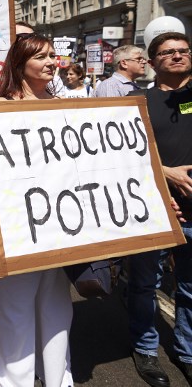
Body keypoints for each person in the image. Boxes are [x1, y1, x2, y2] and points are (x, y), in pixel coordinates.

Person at [0, 33, 74, 386]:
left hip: (58, 224)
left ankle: (57, 378)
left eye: (53, 55)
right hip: (15, 227)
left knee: (56, 308)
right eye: (41, 57)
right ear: (20, 64)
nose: (51, 62)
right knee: (12, 310)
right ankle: (9, 380)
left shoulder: (65, 106)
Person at [127, 31, 192, 386]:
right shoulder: (137, 102)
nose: (178, 56)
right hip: (151, 209)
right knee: (144, 284)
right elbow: (120, 157)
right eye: (168, 52)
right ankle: (146, 349)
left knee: (190, 287)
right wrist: (164, 173)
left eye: (183, 50)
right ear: (152, 63)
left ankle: (187, 352)